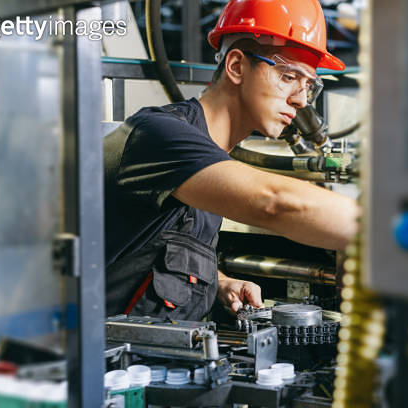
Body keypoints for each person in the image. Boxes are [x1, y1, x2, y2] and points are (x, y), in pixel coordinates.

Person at [103, 0, 360, 321]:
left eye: (310, 84)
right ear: (236, 66)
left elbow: (154, 246)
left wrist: (218, 282)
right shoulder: (159, 136)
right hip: (103, 361)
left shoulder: (212, 151)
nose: (300, 99)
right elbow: (274, 203)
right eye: (289, 75)